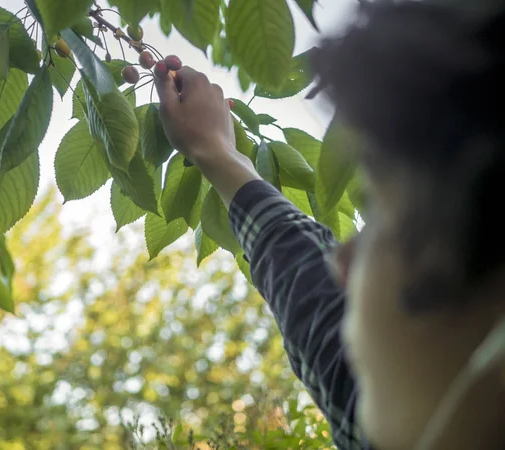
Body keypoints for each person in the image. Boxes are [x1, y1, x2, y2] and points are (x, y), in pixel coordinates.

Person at [154, 1, 505, 449]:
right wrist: (218, 153)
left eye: (384, 216)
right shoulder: (419, 400)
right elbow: (317, 316)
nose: (341, 260)